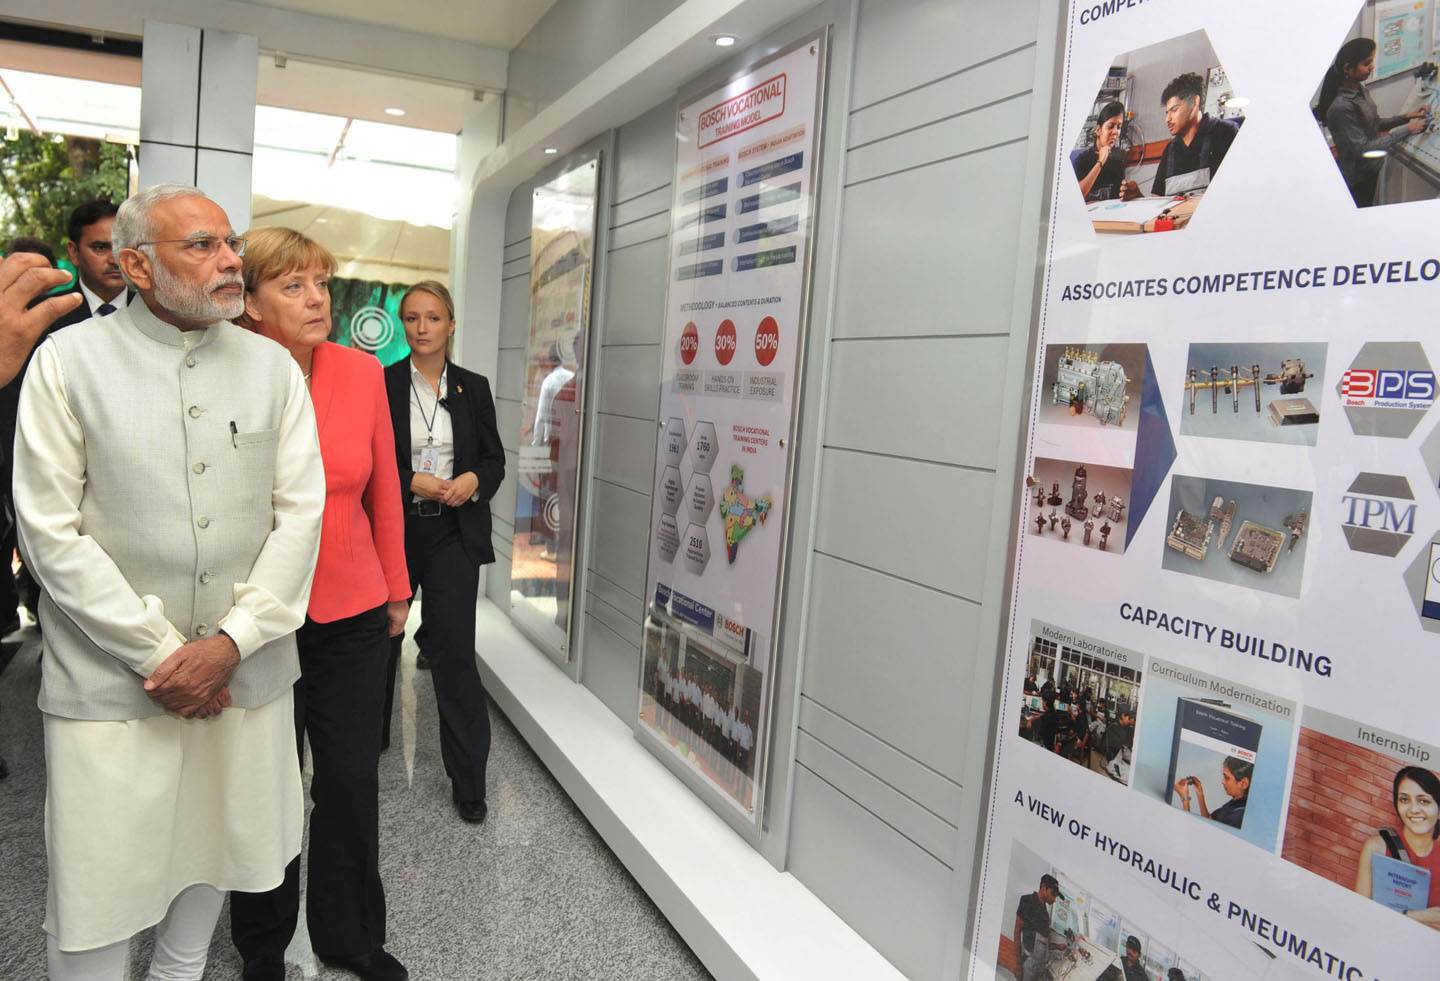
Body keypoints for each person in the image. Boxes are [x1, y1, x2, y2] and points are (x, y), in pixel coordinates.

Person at [13, 183, 324, 981]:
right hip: (110, 684)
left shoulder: (271, 370)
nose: (230, 262)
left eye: (231, 242)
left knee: (215, 849)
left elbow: (301, 517)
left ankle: (179, 972)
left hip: (243, 677)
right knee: (97, 887)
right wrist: (164, 654)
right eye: (203, 246)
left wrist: (231, 643)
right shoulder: (67, 362)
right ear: (138, 266)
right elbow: (50, 532)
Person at [226, 227, 411, 981]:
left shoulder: (360, 373)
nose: (316, 299)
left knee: (348, 779)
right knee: (265, 784)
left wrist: (398, 588)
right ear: (250, 302)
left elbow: (384, 487)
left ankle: (350, 937)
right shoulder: (227, 373)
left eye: (321, 283)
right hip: (258, 614)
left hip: (353, 608)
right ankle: (263, 945)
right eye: (293, 285)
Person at [383, 280, 505, 824]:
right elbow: (373, 459)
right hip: (397, 527)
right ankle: (369, 746)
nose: (423, 328)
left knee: (455, 651)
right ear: (402, 326)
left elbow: (495, 459)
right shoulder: (382, 384)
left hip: (456, 529)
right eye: (412, 318)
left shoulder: (473, 389)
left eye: (433, 317)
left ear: (451, 324)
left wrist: (472, 477)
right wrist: (415, 481)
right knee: (380, 641)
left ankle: (469, 781)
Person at [1317, 37, 1429, 207]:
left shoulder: (1360, 89)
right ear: (1348, 68)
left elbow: (1375, 123)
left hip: (1371, 170)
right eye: (1367, 63)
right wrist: (1408, 129)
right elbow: (1362, 149)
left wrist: (1407, 116)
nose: (1372, 67)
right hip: (1356, 180)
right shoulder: (1341, 107)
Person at [1354, 766, 1440, 929]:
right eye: (1404, 800)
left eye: (1424, 801)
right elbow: (1359, 913)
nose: (1414, 809)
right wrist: (1416, 916)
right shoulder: (1376, 847)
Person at [1150, 72, 1240, 197]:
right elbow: (1157, 198)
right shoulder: (1170, 150)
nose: (1167, 119)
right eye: (1167, 112)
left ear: (1195, 102)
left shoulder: (1226, 133)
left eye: (1174, 110)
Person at [1071, 101, 1141, 202]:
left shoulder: (1118, 161)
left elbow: (1118, 199)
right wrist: (1100, 163)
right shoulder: (1083, 159)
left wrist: (1129, 193)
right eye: (1111, 126)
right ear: (1098, 130)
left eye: (1119, 127)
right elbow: (1076, 197)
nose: (1116, 132)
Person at [1173, 755, 1251, 829]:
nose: (1223, 782)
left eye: (1227, 778)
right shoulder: (1235, 803)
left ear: (1244, 783)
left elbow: (1198, 836)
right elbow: (1209, 820)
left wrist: (1185, 799)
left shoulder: (1238, 816)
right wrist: (1199, 792)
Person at [1013, 873, 1062, 980]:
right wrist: (1017, 965)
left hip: (1040, 966)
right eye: (1053, 894)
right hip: (1028, 965)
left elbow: (1044, 942)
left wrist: (1058, 946)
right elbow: (1017, 932)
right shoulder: (1027, 901)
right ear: (1044, 887)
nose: (1054, 899)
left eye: (1056, 896)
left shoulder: (1045, 914)